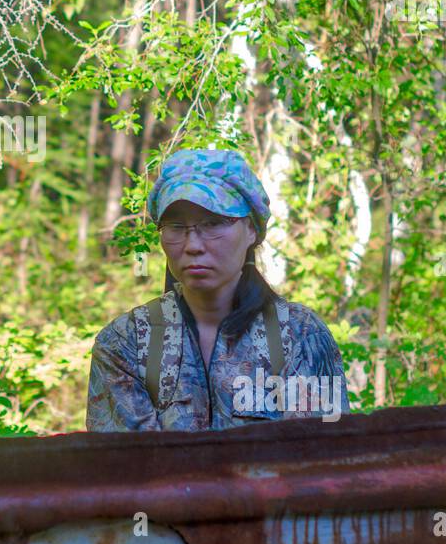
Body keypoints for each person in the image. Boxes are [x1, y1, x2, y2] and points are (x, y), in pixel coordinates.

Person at [86, 149, 351, 432]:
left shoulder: (299, 337)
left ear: (251, 230)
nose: (193, 245)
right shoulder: (127, 343)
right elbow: (124, 467)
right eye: (176, 226)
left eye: (212, 223)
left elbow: (322, 460)